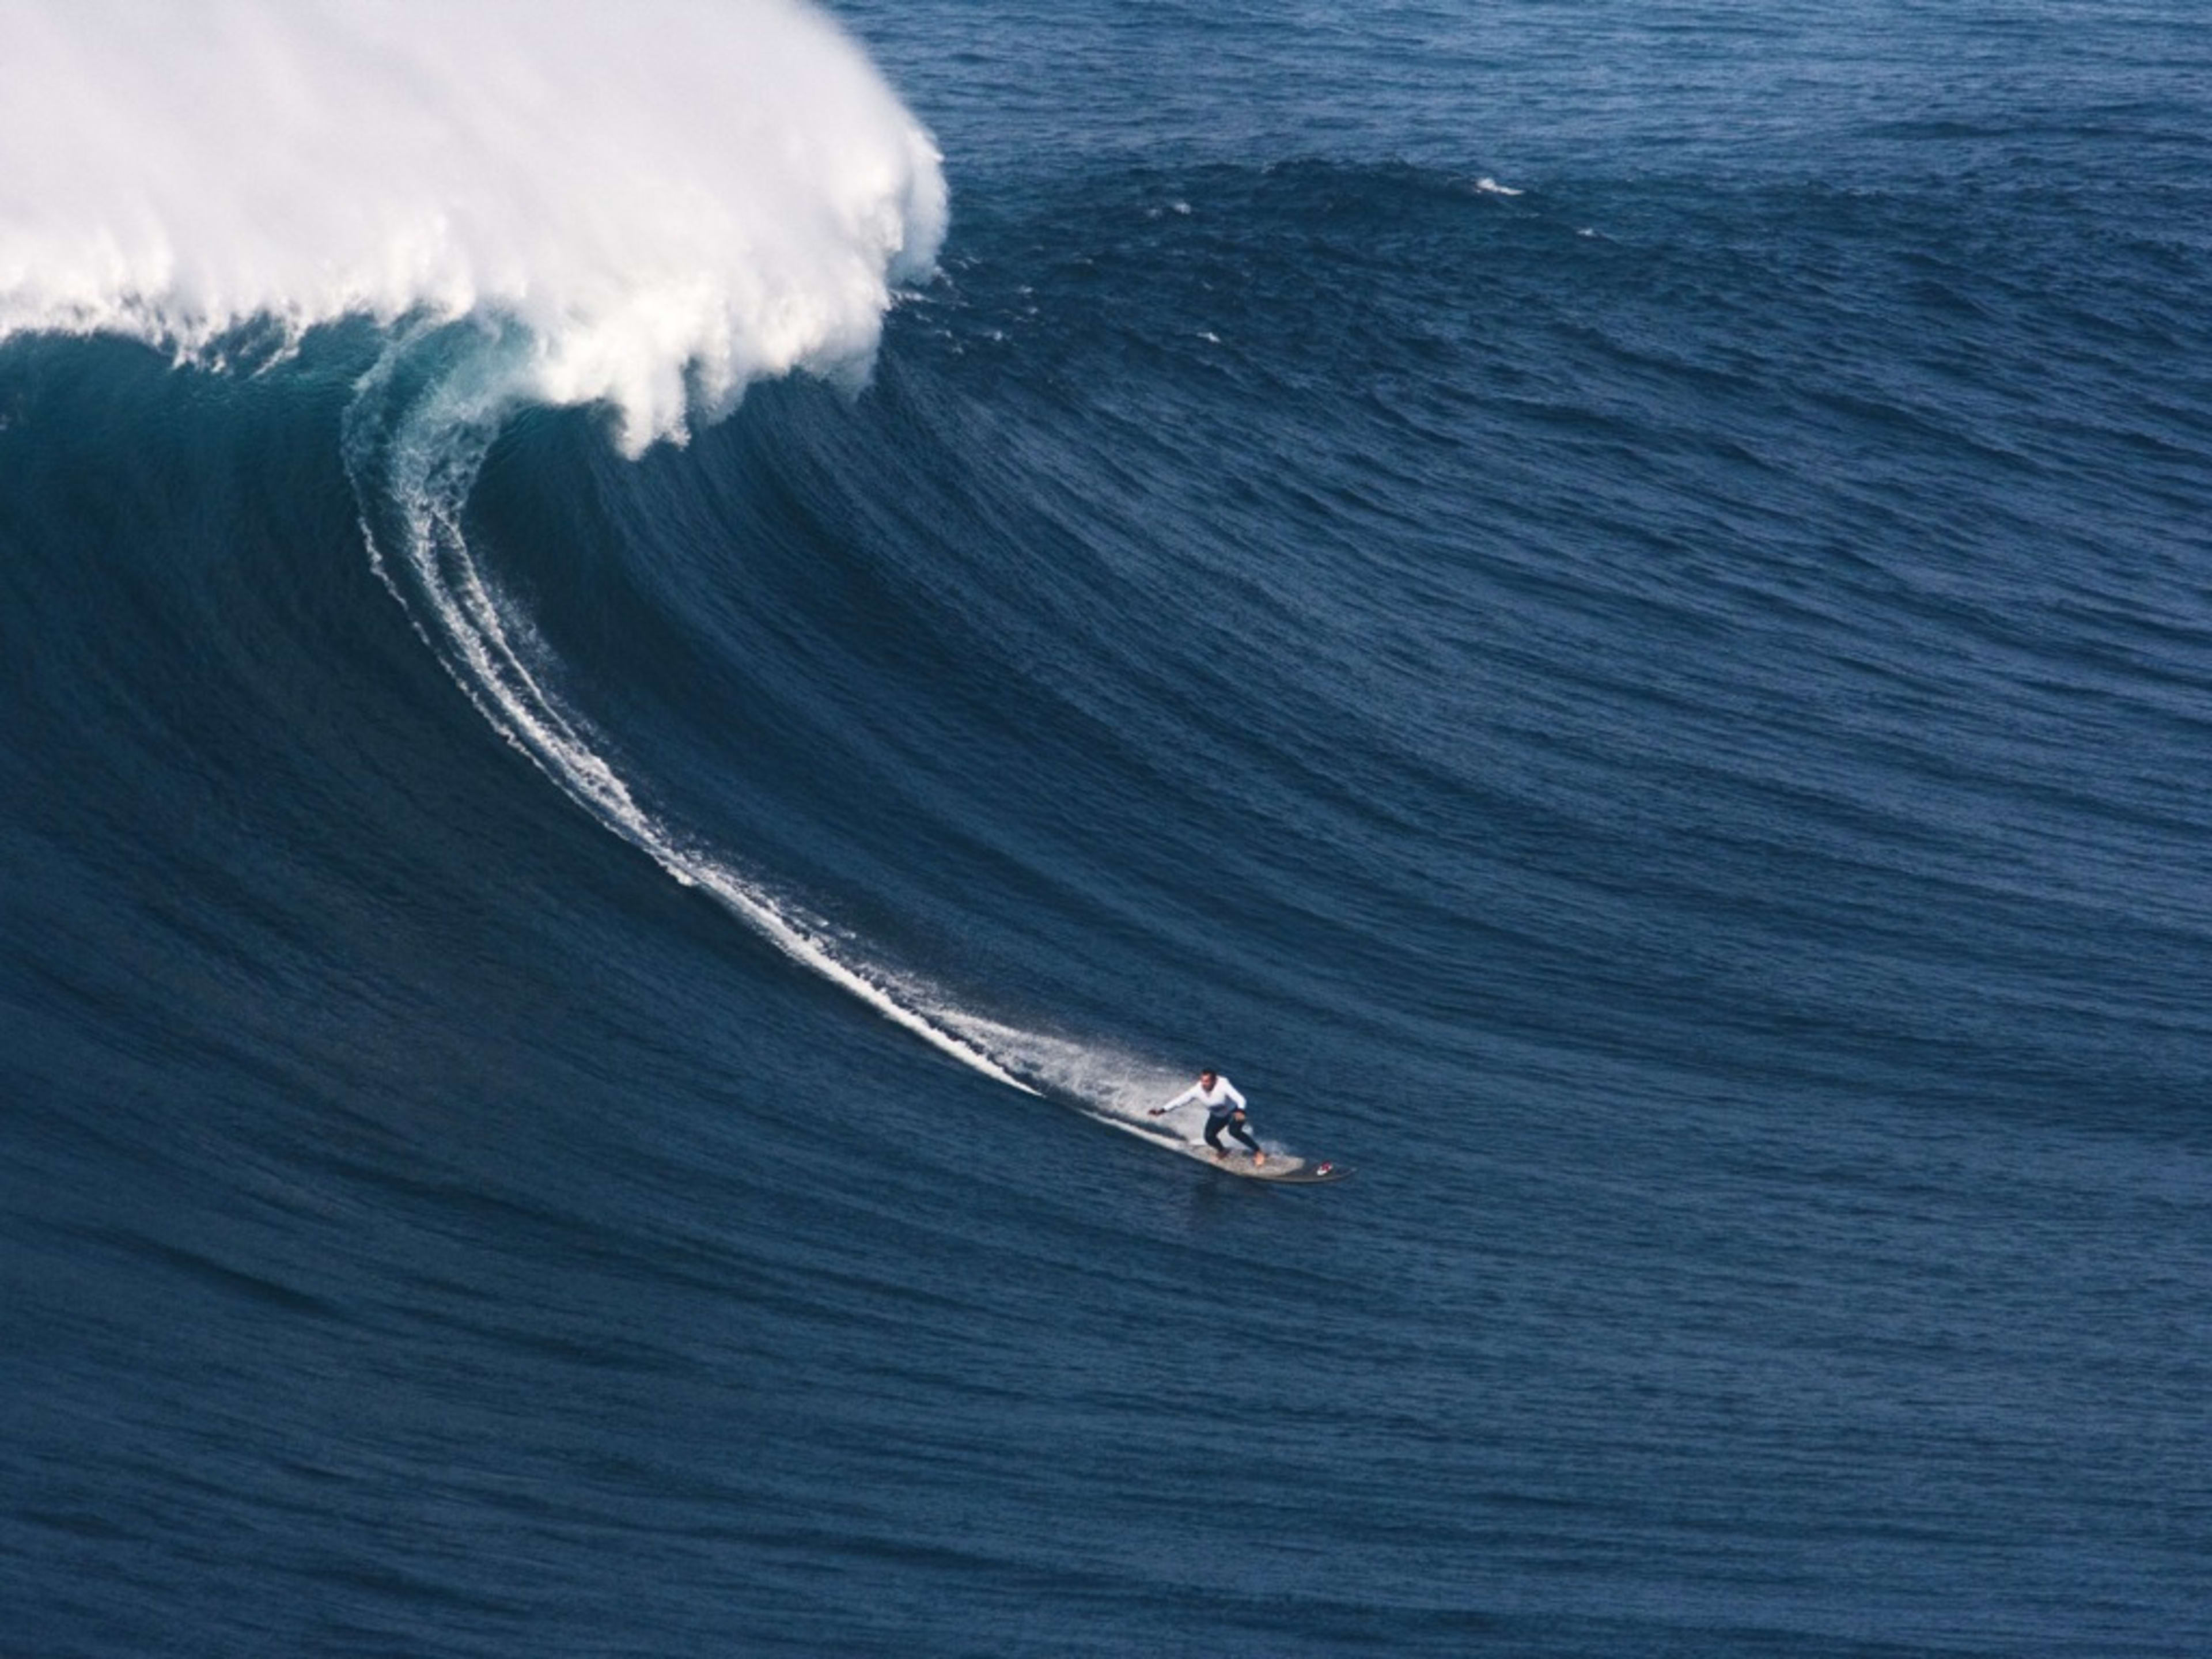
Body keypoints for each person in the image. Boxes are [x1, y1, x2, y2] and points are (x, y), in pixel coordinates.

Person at [1149, 1068, 1266, 1165]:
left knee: (1234, 1131)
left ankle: (1258, 1152)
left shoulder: (1223, 1086)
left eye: (1207, 1081)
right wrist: (1162, 1111)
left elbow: (1241, 1099)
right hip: (1217, 1116)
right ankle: (1222, 1151)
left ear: (1214, 1081)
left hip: (1234, 1112)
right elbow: (1180, 1101)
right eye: (1202, 1081)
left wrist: (1241, 1111)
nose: (1203, 1084)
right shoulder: (1197, 1090)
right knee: (1209, 1137)